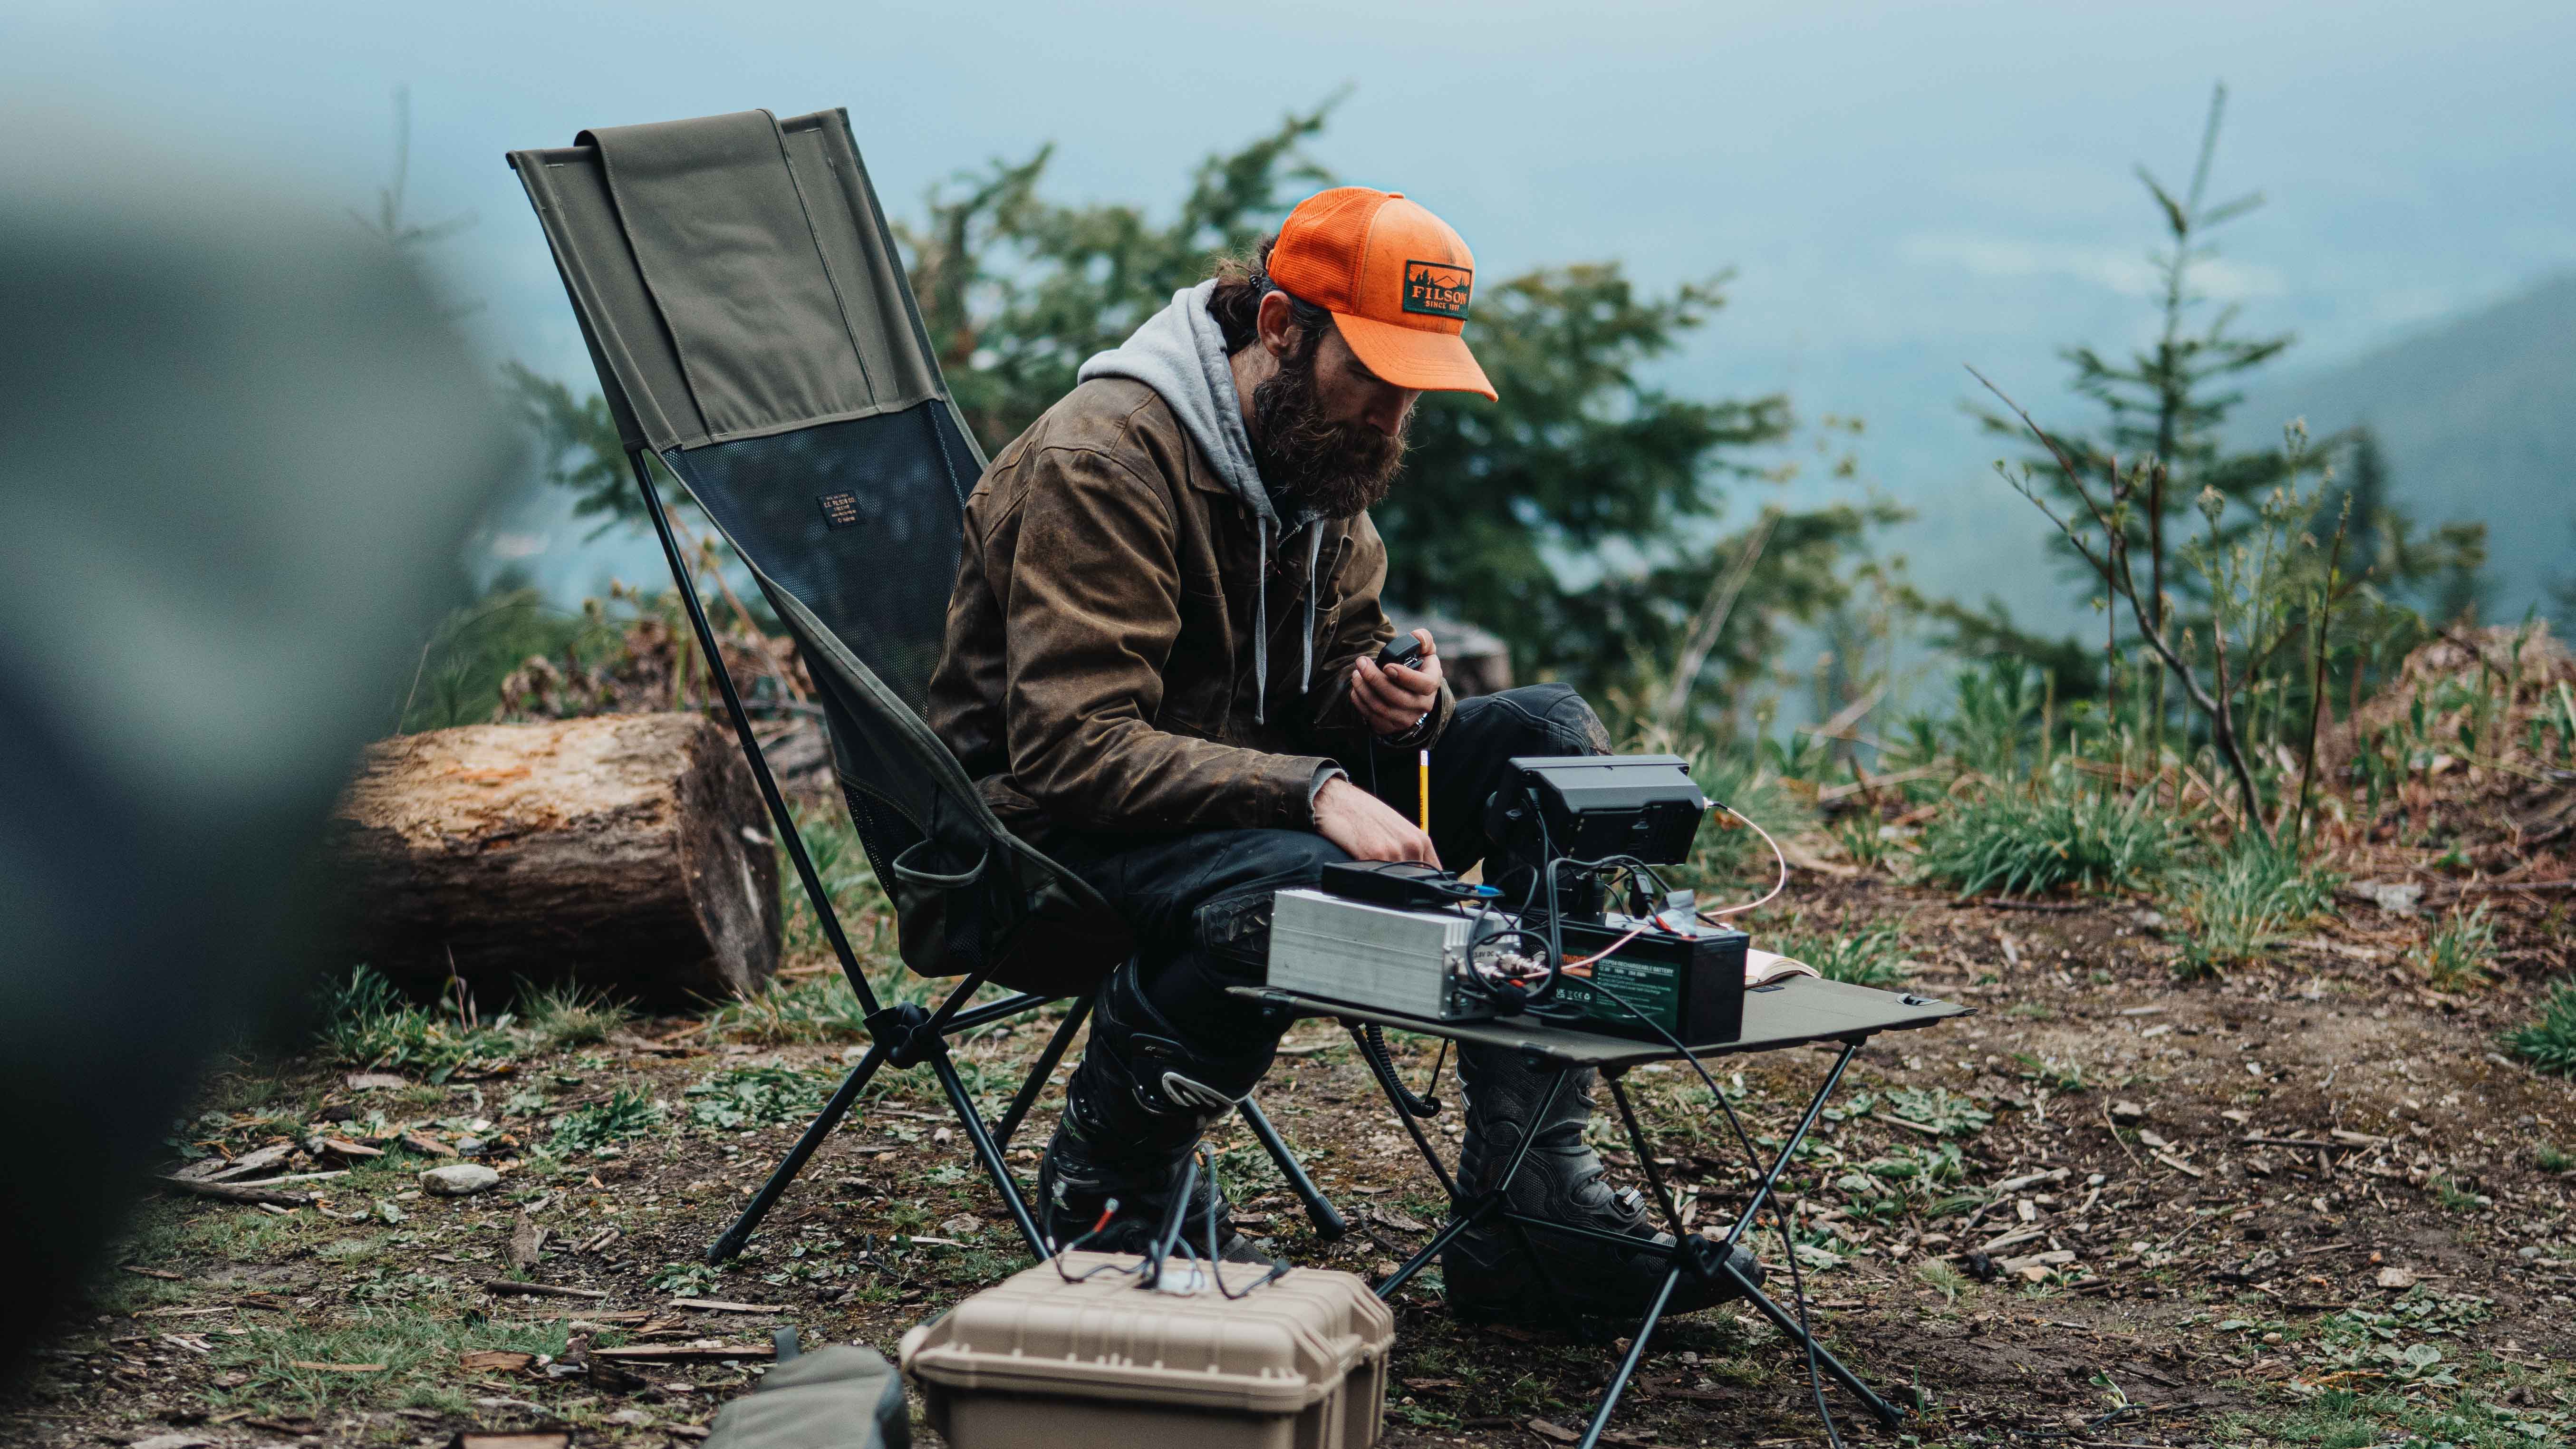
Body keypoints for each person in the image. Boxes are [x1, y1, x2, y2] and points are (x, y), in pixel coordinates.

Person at [925, 186, 1752, 1318]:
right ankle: (1114, 1193)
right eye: (1373, 376)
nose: (1392, 417)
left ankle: (1531, 1213)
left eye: (1415, 387)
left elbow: (1325, 669)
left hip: (1235, 809)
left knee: (1548, 741)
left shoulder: (1315, 453)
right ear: (1279, 328)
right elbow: (1073, 748)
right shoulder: (1105, 458)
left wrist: (1390, 705)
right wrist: (1313, 789)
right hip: (1046, 839)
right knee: (1309, 881)